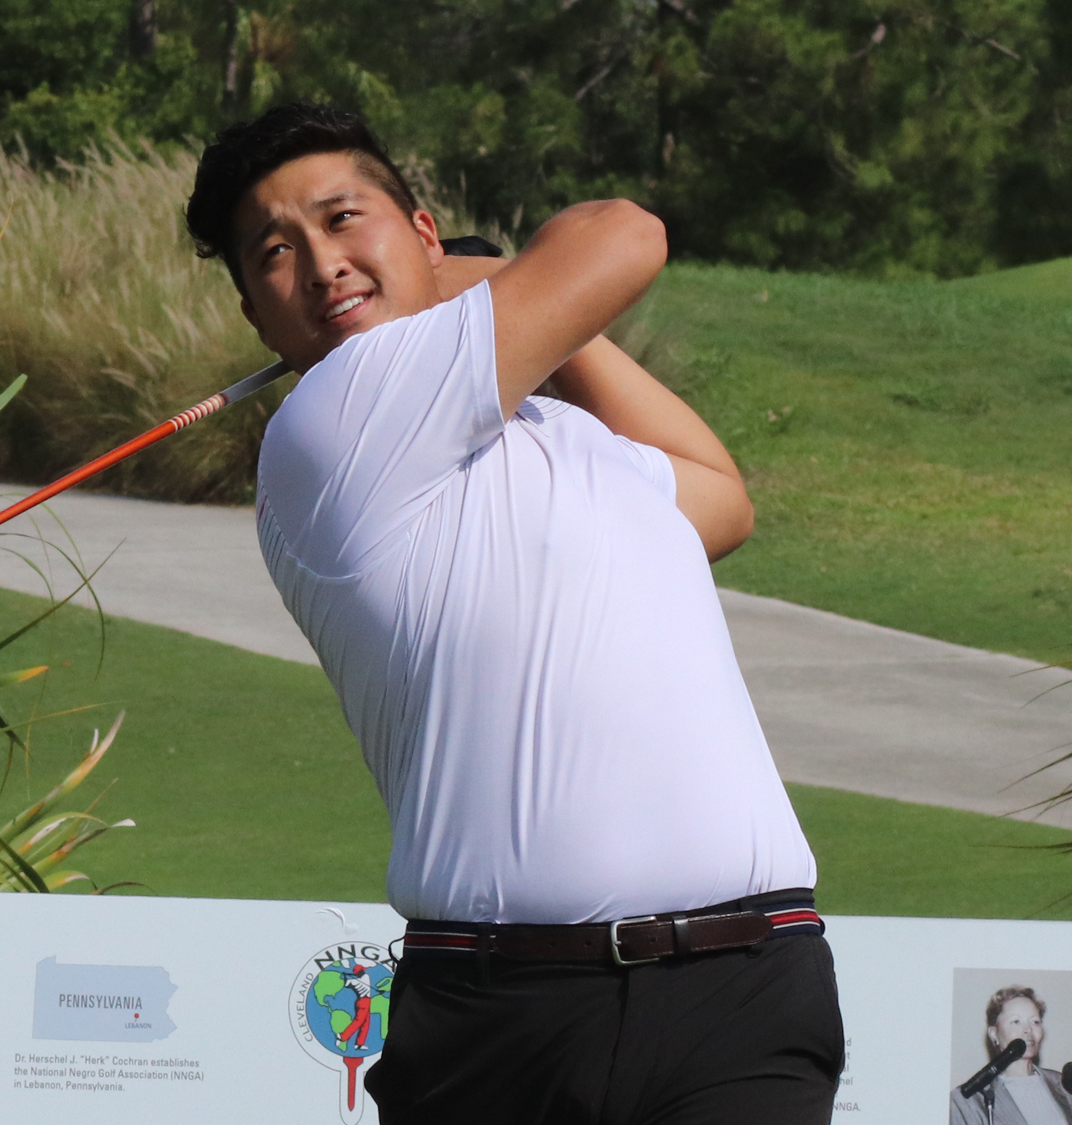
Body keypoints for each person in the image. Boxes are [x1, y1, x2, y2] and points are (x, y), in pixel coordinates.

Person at [185, 102, 842, 1124]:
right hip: (504, 1019)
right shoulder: (334, 422)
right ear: (256, 319)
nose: (321, 265)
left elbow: (717, 501)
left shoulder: (563, 440)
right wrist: (479, 278)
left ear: (422, 230)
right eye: (275, 252)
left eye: (343, 219)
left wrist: (532, 320)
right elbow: (622, 233)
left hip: (743, 988)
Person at [949, 986, 1072, 1125]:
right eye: (1016, 1021)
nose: (1028, 1029)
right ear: (994, 1034)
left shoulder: (1061, 1084)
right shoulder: (968, 1099)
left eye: (1035, 1022)